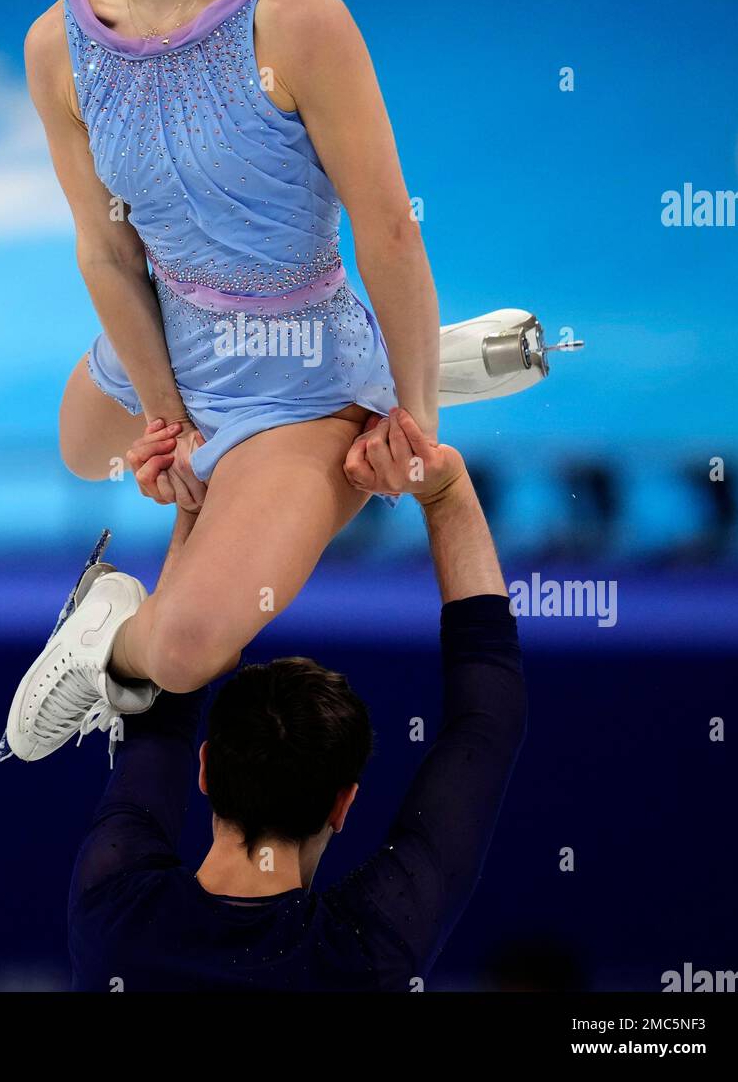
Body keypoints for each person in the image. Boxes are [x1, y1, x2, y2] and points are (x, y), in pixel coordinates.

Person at [11, 0, 554, 744]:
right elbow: (105, 248)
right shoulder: (58, 46)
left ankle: (106, 633)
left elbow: (389, 229)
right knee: (82, 448)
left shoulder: (296, 15)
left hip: (298, 362)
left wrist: (418, 422)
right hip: (173, 325)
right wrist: (169, 419)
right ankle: (403, 360)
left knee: (181, 651)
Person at [59, 407, 526, 991]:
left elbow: (172, 676)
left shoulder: (115, 914)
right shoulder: (365, 953)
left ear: (207, 769)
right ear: (343, 805)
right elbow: (483, 730)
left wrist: (201, 496)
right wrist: (448, 490)